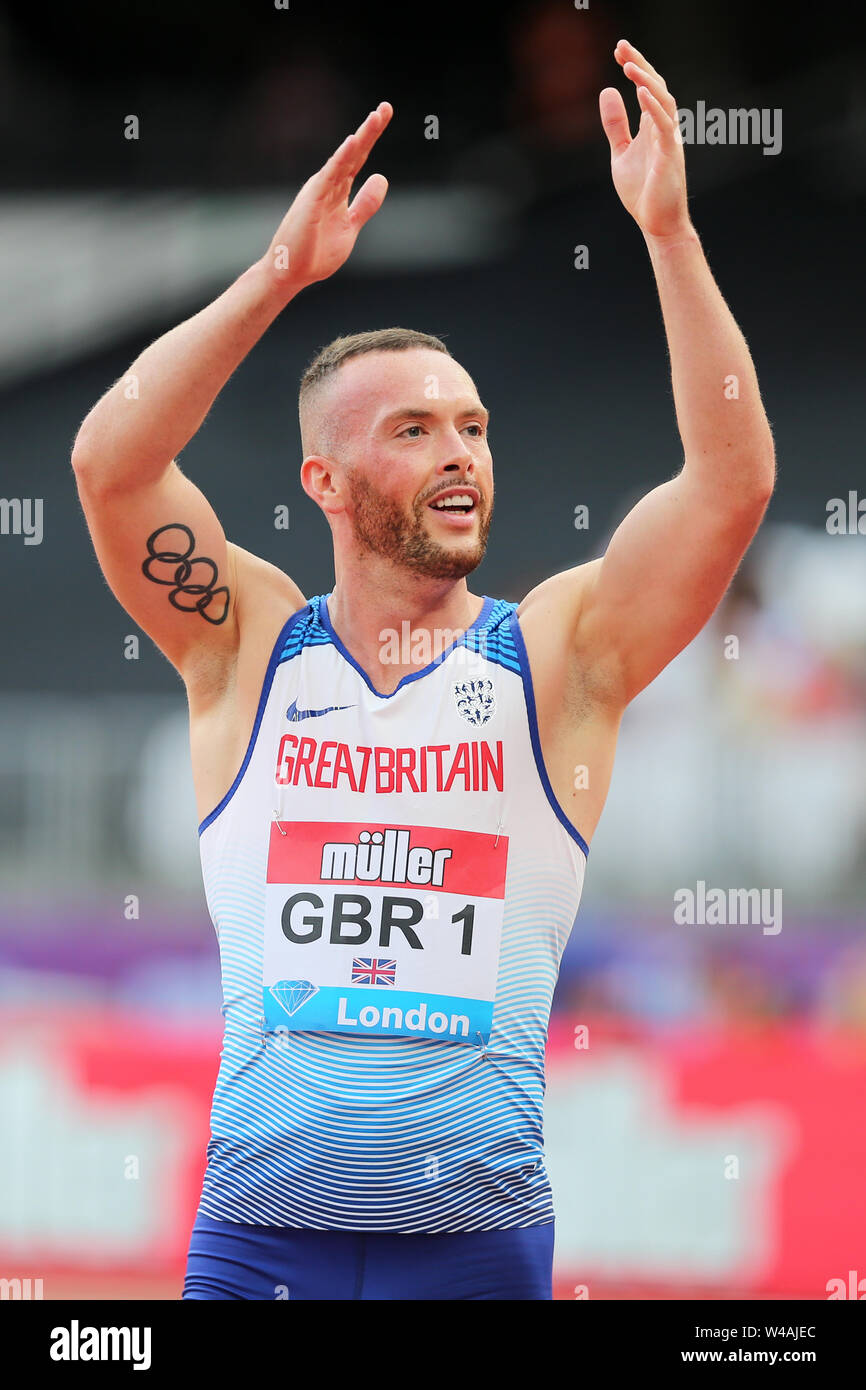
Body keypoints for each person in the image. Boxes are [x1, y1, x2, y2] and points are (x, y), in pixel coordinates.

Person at [71, 40, 775, 1300]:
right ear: (322, 484)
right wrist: (277, 277)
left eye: (474, 426)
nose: (462, 452)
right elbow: (110, 467)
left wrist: (666, 234)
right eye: (413, 429)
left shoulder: (557, 657)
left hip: (473, 1251)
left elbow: (730, 489)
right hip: (254, 1243)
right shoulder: (245, 645)